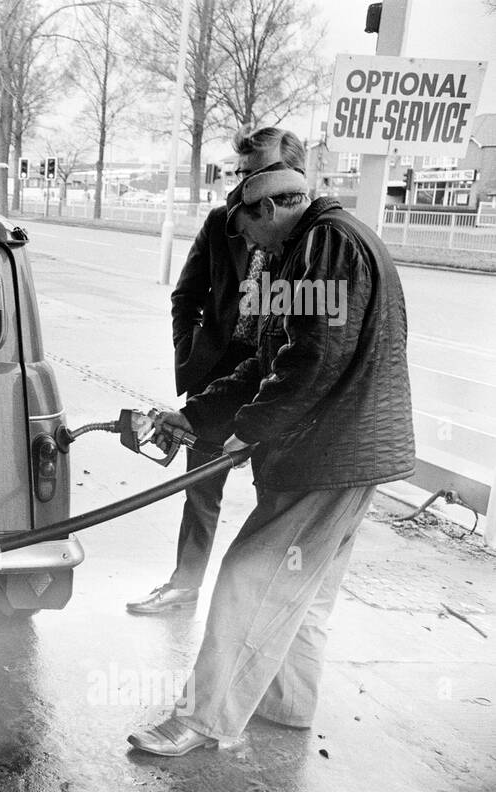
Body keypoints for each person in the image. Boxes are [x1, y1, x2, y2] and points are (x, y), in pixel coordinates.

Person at [127, 162, 415, 755]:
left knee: (247, 579)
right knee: (300, 590)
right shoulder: (310, 249)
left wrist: (249, 432)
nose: (244, 245)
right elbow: (269, 357)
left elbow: (313, 358)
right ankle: (284, 707)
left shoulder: (328, 243)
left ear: (270, 210)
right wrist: (201, 417)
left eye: (243, 228)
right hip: (345, 454)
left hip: (329, 455)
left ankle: (202, 720)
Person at [128, 127, 308, 615]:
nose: (247, 183)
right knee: (200, 489)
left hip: (275, 375)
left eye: (261, 172)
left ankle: (260, 599)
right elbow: (185, 296)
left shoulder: (306, 238)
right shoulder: (220, 223)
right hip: (219, 375)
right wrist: (191, 352)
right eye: (243, 172)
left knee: (271, 489)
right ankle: (185, 584)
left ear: (291, 176)